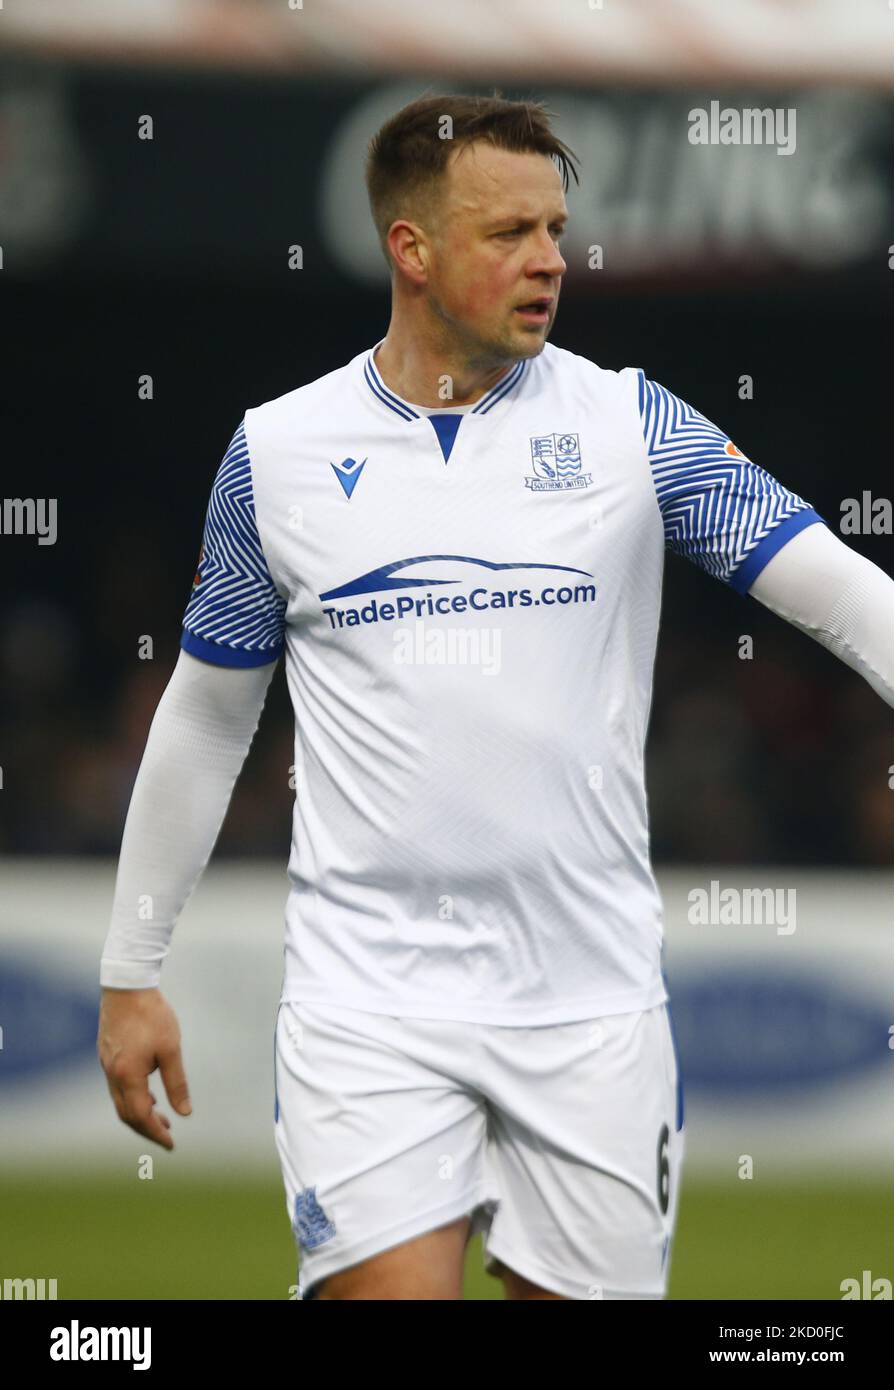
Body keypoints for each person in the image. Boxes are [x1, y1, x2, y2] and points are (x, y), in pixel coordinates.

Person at [97, 92, 894, 1301]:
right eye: (509, 232)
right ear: (411, 250)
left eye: (557, 230)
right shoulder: (277, 453)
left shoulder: (634, 427)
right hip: (368, 1006)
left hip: (591, 1010)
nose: (548, 261)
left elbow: (844, 595)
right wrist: (130, 963)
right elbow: (209, 717)